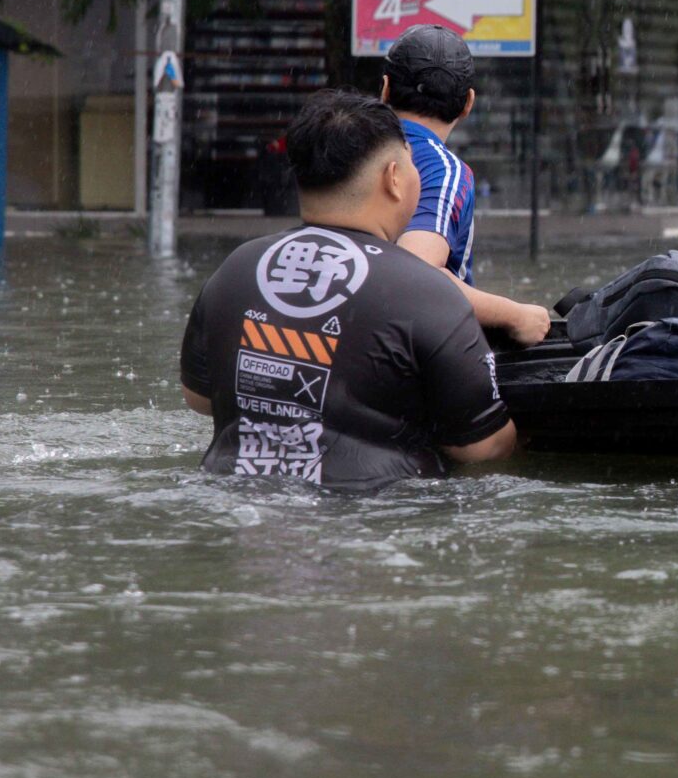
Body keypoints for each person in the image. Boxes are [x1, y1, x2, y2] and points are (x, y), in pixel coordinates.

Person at [180, 89, 518, 491]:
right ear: (393, 178)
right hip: (377, 515)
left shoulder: (235, 269)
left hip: (233, 497)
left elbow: (199, 398)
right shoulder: (426, 291)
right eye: (411, 163)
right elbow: (485, 448)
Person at [379, 25, 551, 346]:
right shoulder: (443, 170)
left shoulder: (354, 147)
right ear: (468, 102)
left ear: (385, 88)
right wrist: (515, 315)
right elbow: (418, 276)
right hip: (417, 352)